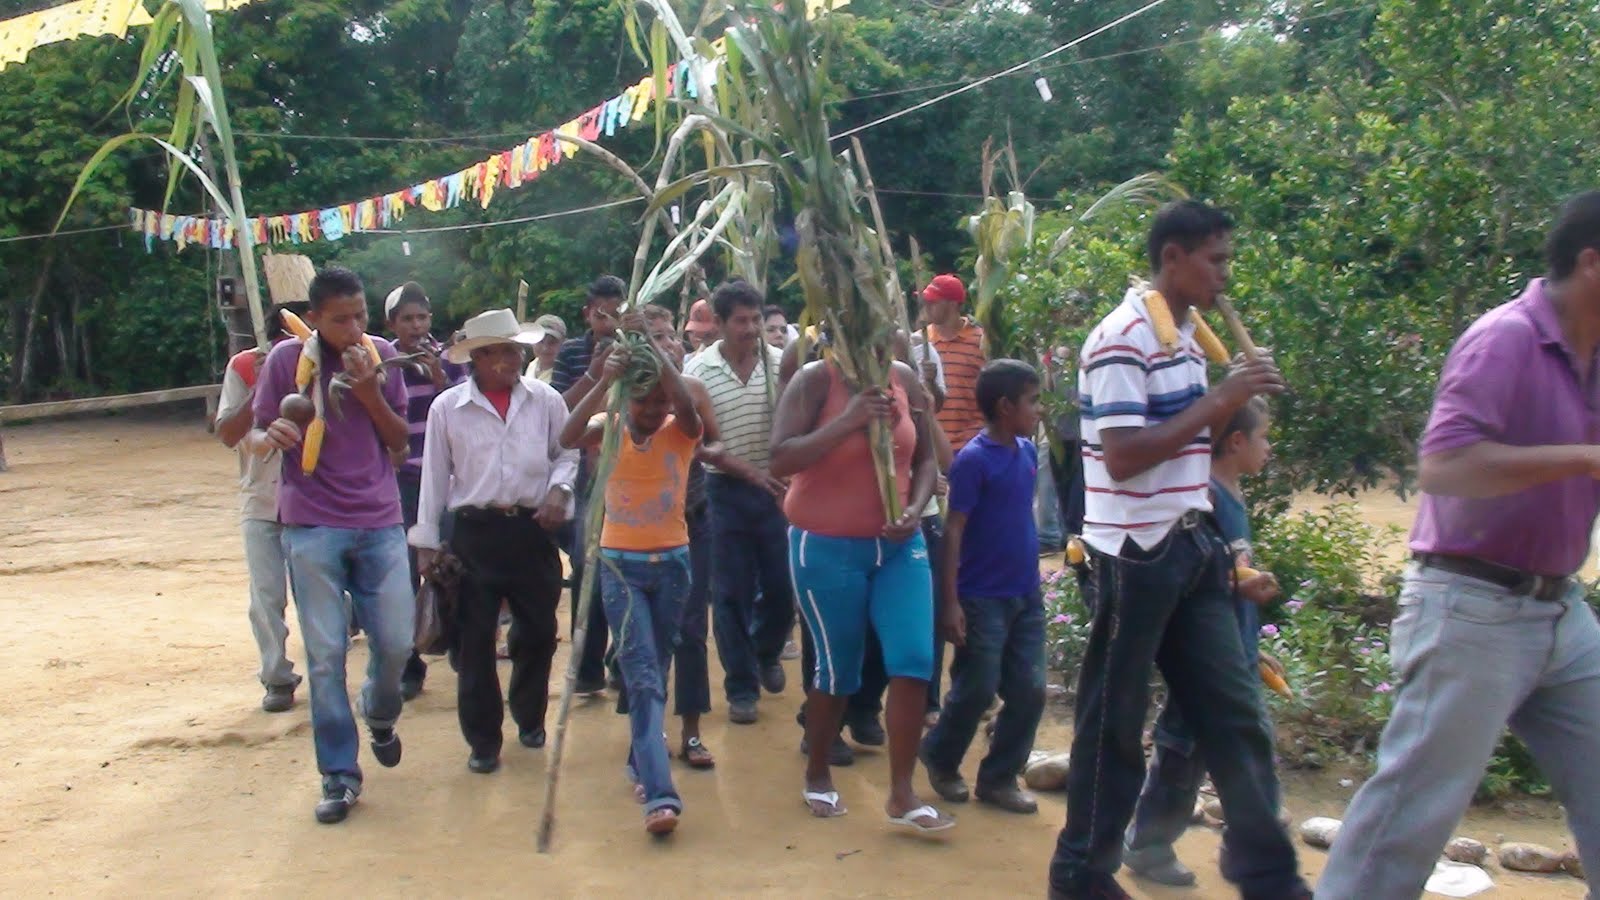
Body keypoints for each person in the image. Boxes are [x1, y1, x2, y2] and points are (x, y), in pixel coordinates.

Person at [1318, 193, 1600, 899]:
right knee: (1409, 817)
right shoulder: (1505, 338)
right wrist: (1583, 458)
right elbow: (1444, 466)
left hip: (1561, 612)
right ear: (1592, 264)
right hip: (1470, 605)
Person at [1046, 201, 1305, 899]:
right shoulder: (1122, 337)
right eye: (1215, 261)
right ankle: (1079, 875)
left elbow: (1188, 447)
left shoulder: (1186, 337)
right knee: (1114, 725)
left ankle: (1271, 880)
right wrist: (1225, 397)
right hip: (1132, 555)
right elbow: (1124, 456)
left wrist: (1229, 398)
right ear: (1172, 258)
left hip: (1192, 545)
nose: (1225, 276)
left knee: (1236, 717)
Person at [250, 266, 414, 825]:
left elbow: (399, 440)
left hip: (379, 519)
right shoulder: (284, 362)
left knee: (396, 642)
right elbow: (257, 432)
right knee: (324, 657)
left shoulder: (381, 356)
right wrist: (272, 434)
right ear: (314, 318)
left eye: (360, 316)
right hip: (311, 522)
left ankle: (380, 711)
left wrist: (369, 392)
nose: (354, 328)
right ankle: (339, 775)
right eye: (341, 320)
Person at [771, 333, 951, 833]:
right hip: (825, 548)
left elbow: (926, 460)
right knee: (838, 668)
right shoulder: (814, 381)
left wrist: (915, 509)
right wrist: (848, 420)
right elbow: (780, 457)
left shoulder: (904, 378)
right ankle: (818, 771)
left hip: (899, 548)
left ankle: (902, 793)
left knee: (914, 660)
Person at [1122, 397, 1285, 886]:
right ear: (1235, 442)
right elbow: (1194, 575)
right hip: (1203, 654)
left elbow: (1226, 573)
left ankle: (1221, 847)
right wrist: (1238, 587)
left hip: (1231, 648)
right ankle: (1151, 843)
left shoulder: (1230, 493)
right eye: (1263, 437)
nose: (1269, 448)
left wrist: (1252, 646)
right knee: (1186, 748)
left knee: (1212, 747)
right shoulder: (1206, 497)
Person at [410, 309, 577, 773]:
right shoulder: (448, 408)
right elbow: (433, 477)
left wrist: (560, 490)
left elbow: (567, 454)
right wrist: (426, 541)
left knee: (538, 630)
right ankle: (483, 740)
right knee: (474, 641)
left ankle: (529, 714)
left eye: (514, 350)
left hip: (532, 530)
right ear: (477, 358)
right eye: (497, 352)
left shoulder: (546, 400)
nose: (509, 359)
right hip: (474, 534)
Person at [562, 332, 703, 835]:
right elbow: (566, 436)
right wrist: (604, 381)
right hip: (620, 568)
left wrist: (660, 358)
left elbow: (687, 405)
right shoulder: (610, 427)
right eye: (642, 400)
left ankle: (639, 758)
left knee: (655, 667)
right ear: (627, 398)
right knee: (642, 676)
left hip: (674, 565)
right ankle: (661, 795)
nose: (652, 409)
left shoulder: (681, 431)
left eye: (660, 400)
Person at [921, 359, 1047, 815]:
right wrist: (950, 602)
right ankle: (940, 755)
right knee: (977, 687)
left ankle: (998, 778)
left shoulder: (1027, 452)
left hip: (1025, 593)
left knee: (1030, 689)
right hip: (981, 597)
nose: (1039, 410)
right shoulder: (973, 461)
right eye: (1033, 401)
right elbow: (954, 530)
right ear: (1005, 406)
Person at [684, 281, 794, 724]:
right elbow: (698, 444)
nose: (750, 329)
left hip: (778, 490)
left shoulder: (779, 364)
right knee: (732, 592)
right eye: (741, 321)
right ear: (720, 323)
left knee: (783, 587)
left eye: (755, 320)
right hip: (725, 492)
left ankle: (766, 650)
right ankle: (742, 687)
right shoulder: (699, 370)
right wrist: (747, 471)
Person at [641, 304, 723, 768]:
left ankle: (691, 731)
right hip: (638, 530)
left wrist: (702, 451)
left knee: (691, 628)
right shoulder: (624, 394)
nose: (668, 344)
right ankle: (646, 730)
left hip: (691, 520)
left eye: (670, 335)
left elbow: (714, 439)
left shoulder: (692, 390)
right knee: (644, 634)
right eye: (655, 337)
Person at [215, 302, 302, 713]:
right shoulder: (245, 366)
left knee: (326, 593)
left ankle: (329, 669)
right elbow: (229, 432)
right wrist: (260, 387)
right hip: (262, 496)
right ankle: (276, 675)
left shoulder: (329, 361)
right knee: (266, 595)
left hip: (316, 498)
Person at [385, 281, 466, 700]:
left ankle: (461, 651)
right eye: (407, 319)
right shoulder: (383, 363)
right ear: (392, 324)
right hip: (402, 480)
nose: (416, 326)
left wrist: (439, 379)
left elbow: (465, 414)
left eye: (422, 318)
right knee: (404, 575)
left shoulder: (451, 359)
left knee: (454, 569)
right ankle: (409, 666)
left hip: (446, 481)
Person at [550, 275, 629, 696]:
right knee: (586, 563)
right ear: (587, 314)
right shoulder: (570, 352)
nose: (610, 322)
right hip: (584, 474)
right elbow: (557, 411)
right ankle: (587, 665)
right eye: (602, 314)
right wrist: (594, 375)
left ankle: (622, 657)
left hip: (629, 471)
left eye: (618, 314)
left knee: (628, 564)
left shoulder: (636, 349)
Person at [922, 274, 986, 453]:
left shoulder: (981, 341)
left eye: (934, 301)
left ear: (952, 304)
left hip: (972, 446)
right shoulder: (921, 342)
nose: (927, 306)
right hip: (934, 449)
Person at [523, 314, 568, 382]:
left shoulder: (566, 373)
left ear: (563, 343)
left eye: (552, 342)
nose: (545, 348)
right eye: (540, 341)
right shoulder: (532, 365)